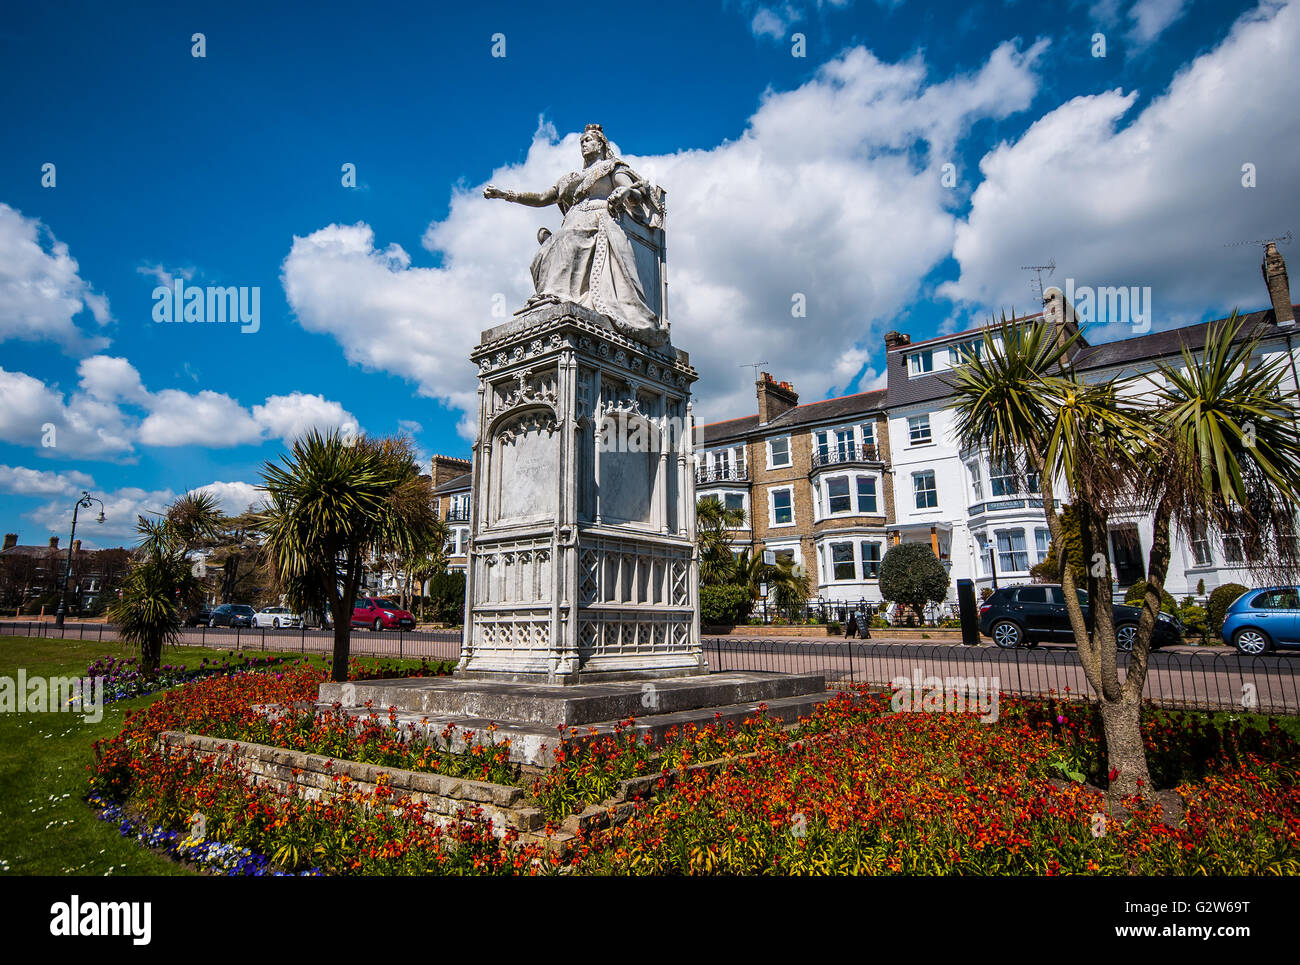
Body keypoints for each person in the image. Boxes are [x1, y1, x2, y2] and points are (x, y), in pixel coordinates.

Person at [483, 124, 667, 345]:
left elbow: (635, 194)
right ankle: (552, 295)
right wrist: (506, 194)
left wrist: (625, 192)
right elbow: (542, 198)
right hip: (572, 221)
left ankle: (560, 296)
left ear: (601, 144)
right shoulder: (570, 179)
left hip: (598, 220)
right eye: (581, 142)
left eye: (588, 140)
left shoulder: (613, 168)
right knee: (547, 248)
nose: (584, 144)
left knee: (567, 239)